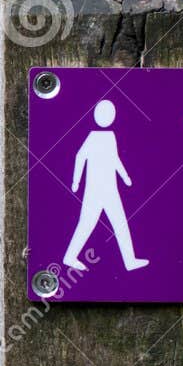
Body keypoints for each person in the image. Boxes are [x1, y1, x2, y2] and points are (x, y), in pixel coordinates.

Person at [63, 99, 148, 272]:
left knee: (120, 223)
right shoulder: (93, 137)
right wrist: (75, 181)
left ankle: (130, 260)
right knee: (87, 223)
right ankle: (69, 256)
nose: (109, 117)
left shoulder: (111, 136)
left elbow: (114, 159)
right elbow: (80, 157)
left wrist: (125, 177)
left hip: (110, 189)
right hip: (94, 190)